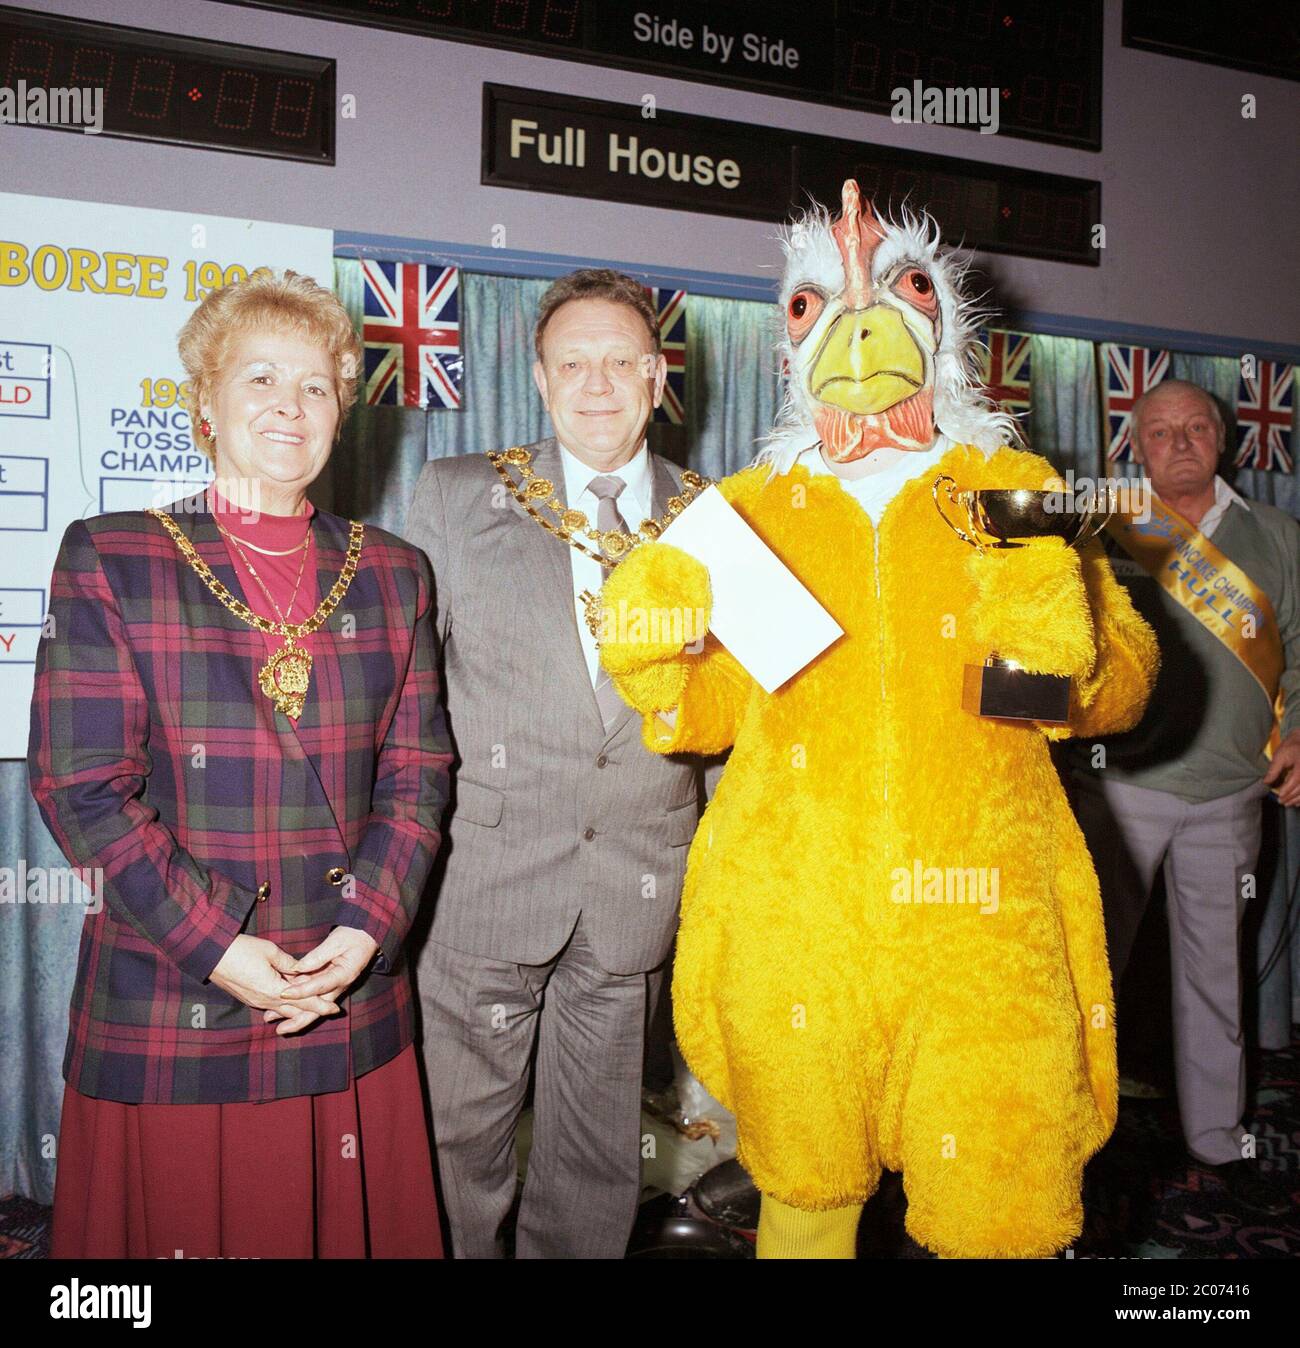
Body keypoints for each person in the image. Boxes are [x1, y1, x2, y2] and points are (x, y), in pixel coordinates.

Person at [597, 181, 1158, 1258]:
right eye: (813, 305)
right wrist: (656, 657)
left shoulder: (1014, 486)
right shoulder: (746, 510)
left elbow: (1124, 684)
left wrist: (1045, 668)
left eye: (900, 285)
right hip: (798, 923)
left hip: (985, 920)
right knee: (806, 1193)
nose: (861, 319)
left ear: (940, 320)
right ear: (787, 338)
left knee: (1001, 1207)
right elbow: (705, 713)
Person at [29, 268, 452, 1258]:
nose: (288, 405)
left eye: (315, 385)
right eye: (258, 378)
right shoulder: (113, 555)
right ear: (205, 406)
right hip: (175, 990)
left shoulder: (394, 572)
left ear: (341, 413)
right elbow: (83, 790)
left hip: (345, 991)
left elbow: (417, 771)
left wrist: (369, 929)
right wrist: (221, 949)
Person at [404, 268, 705, 1258]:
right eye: (572, 362)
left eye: (621, 361)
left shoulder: (717, 519)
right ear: (538, 379)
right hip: (485, 877)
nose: (596, 384)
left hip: (637, 881)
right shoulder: (456, 495)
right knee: (456, 1141)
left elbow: (743, 720)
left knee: (598, 1153)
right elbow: (404, 698)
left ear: (658, 376)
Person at [1069, 378, 1300, 1216]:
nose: (1178, 442)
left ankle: (1217, 1140)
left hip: (1231, 791)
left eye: (1195, 427)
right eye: (1159, 430)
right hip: (1120, 788)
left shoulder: (1276, 538)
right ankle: (1070, 1140)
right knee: (1089, 971)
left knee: (1215, 972)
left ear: (1223, 439)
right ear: (1136, 444)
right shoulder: (1104, 524)